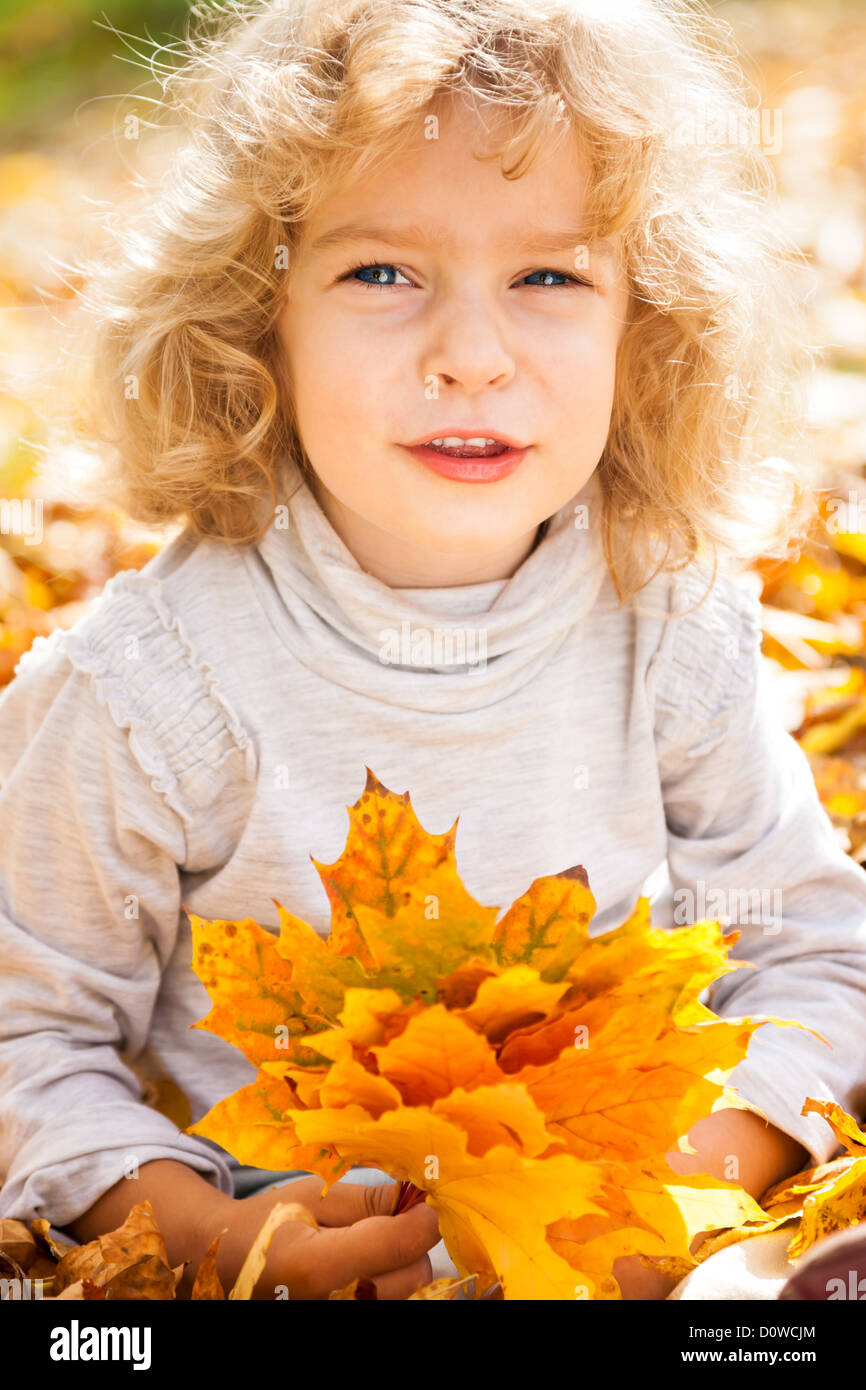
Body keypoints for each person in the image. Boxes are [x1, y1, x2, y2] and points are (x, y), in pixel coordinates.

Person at [1, 0, 864, 1301]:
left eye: (549, 276)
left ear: (647, 327)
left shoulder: (666, 626)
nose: (471, 355)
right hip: (292, 1237)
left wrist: (691, 1167)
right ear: (255, 324)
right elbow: (27, 1036)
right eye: (381, 274)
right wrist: (208, 1233)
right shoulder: (151, 694)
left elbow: (802, 935)